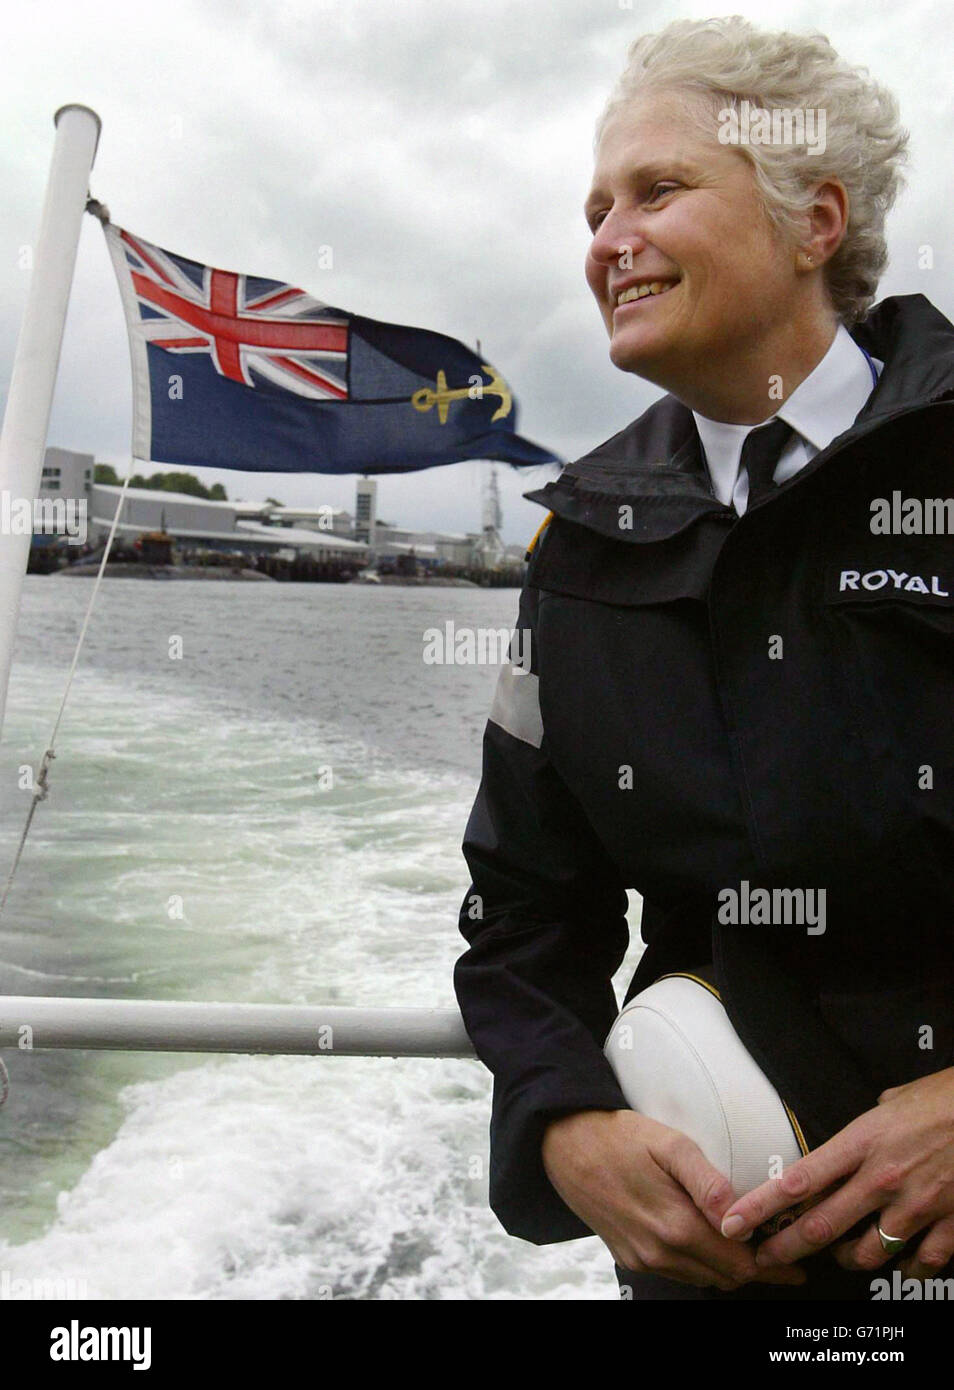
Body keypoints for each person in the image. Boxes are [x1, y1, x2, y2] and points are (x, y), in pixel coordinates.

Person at [454, 15, 954, 1300]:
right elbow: (523, 907)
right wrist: (565, 1121)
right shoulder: (582, 547)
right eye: (594, 209)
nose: (607, 242)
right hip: (724, 1271)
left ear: (816, 220)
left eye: (657, 191)